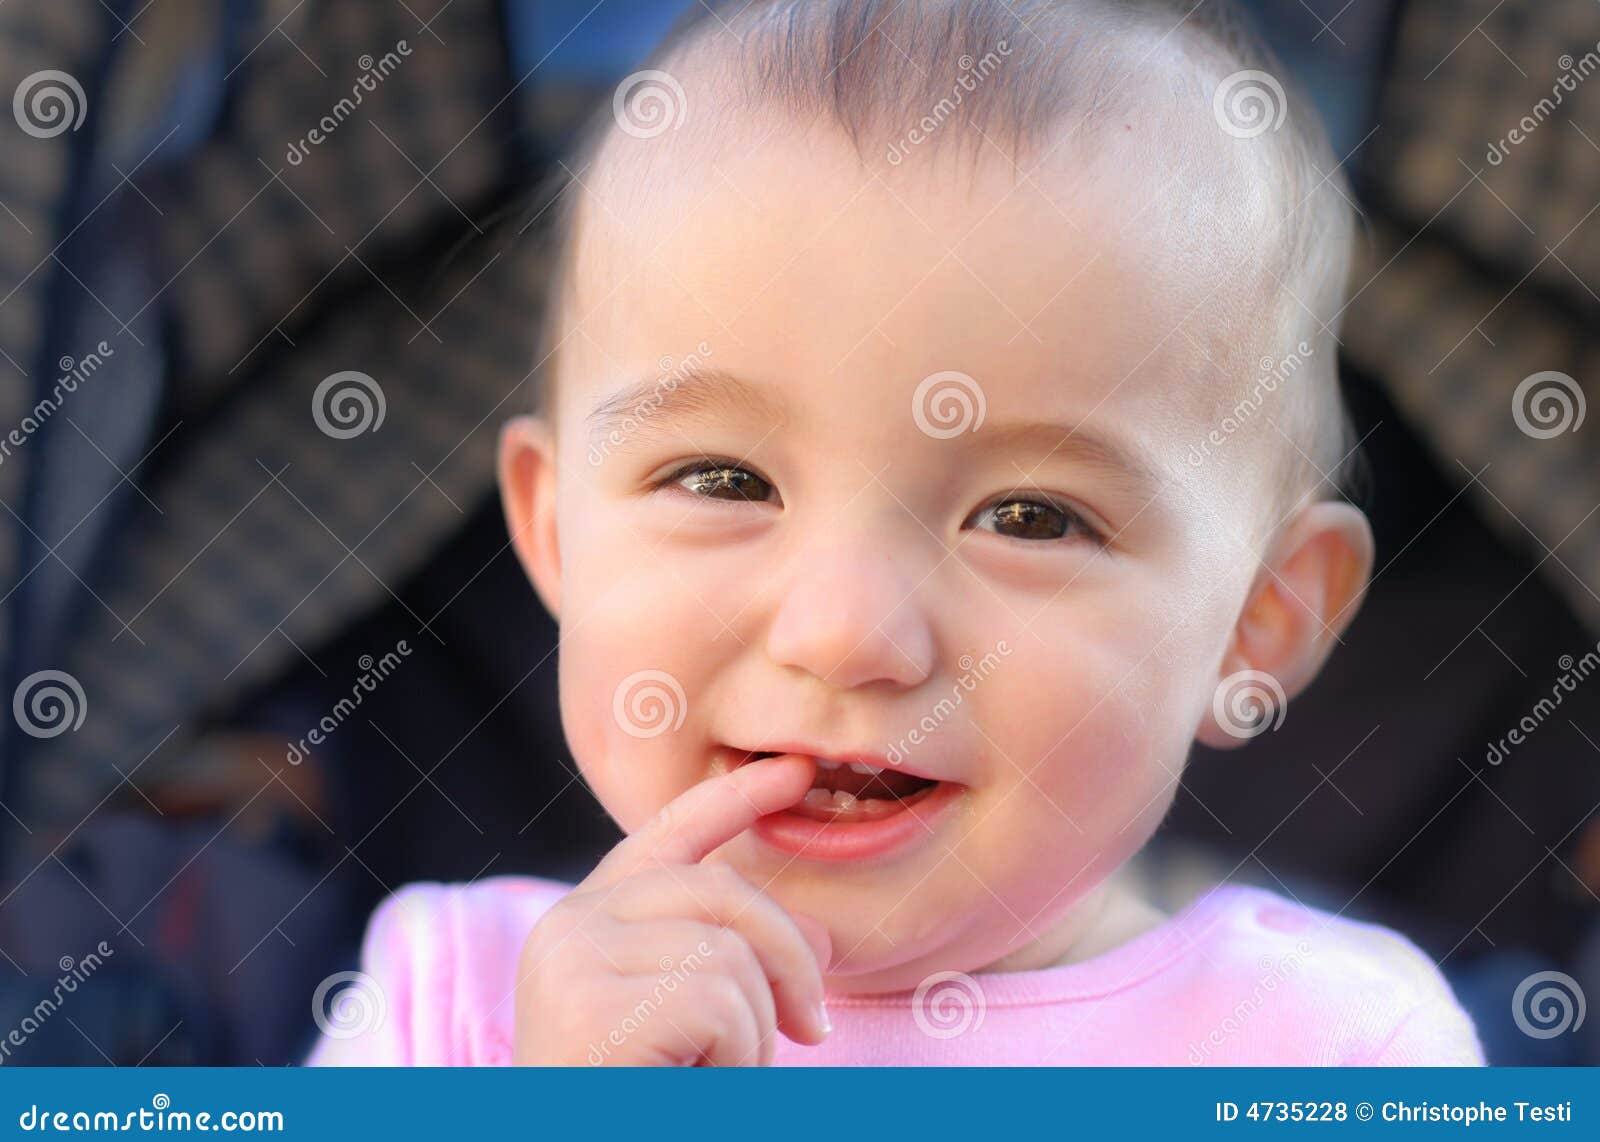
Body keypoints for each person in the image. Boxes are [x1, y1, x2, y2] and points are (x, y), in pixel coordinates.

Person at [307, 0, 1485, 1065]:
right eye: (722, 478)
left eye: (1028, 516)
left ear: (1255, 620)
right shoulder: (453, 1006)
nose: (846, 631)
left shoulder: (1327, 1046)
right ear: (556, 530)